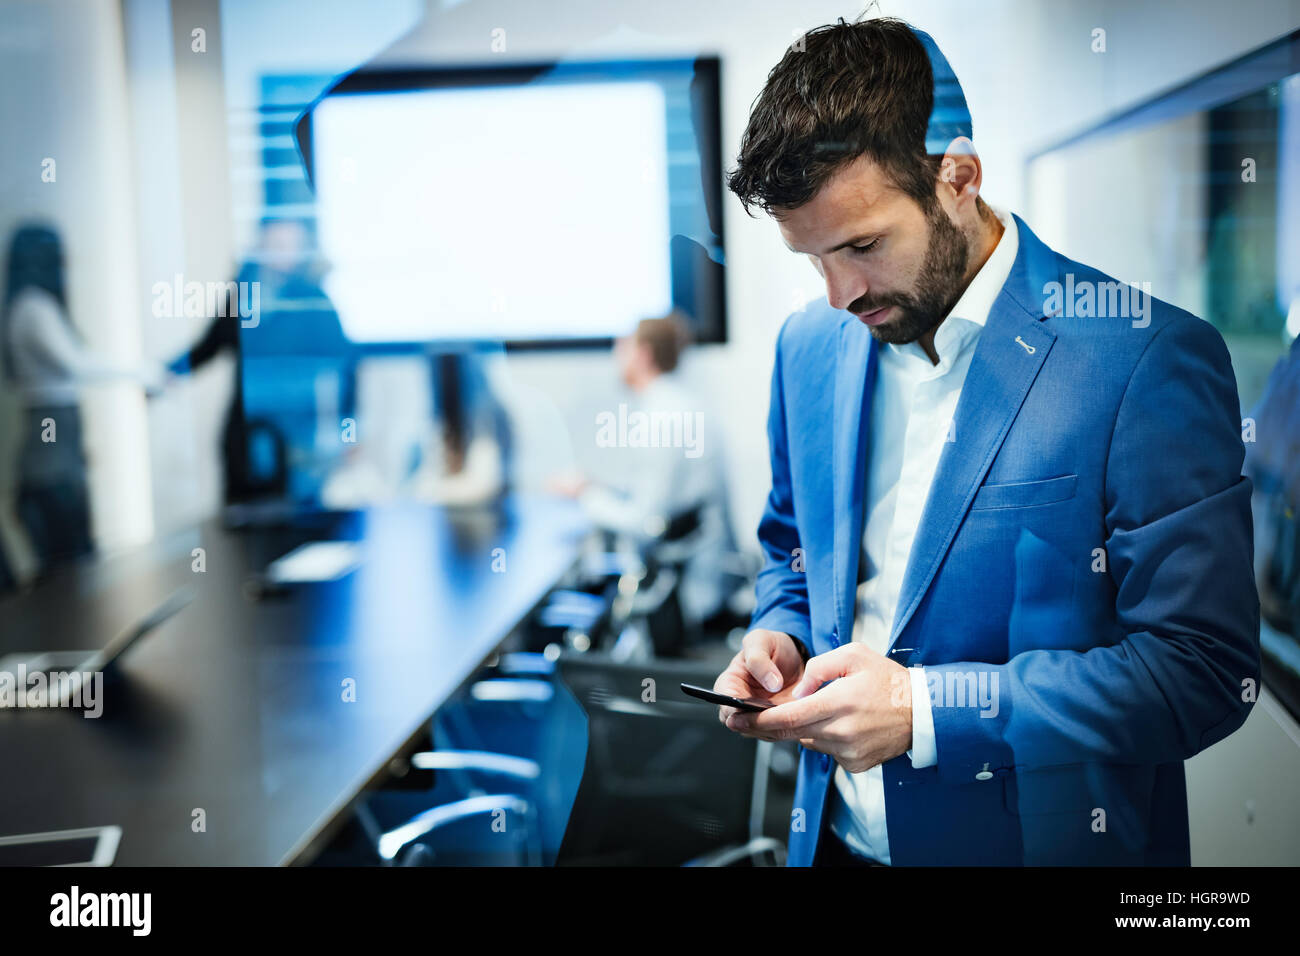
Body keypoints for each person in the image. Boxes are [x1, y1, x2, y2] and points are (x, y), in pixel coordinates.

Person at [711, 17, 1259, 866]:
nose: (838, 295)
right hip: (833, 843)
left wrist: (926, 711)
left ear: (957, 176)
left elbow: (1200, 671)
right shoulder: (807, 349)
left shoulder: (1142, 358)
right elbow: (791, 548)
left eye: (862, 245)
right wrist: (778, 635)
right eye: (812, 257)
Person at [551, 312, 737, 631]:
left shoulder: (661, 418)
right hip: (701, 576)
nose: (615, 357)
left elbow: (645, 523)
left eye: (621, 348)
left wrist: (586, 496)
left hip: (680, 598)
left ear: (643, 354)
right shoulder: (682, 405)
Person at [1, 223, 161, 573]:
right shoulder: (32, 307)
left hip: (59, 454)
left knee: (79, 564)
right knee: (70, 573)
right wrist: (140, 370)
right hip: (49, 466)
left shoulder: (35, 306)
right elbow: (74, 363)